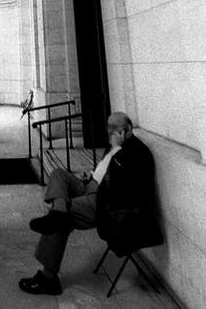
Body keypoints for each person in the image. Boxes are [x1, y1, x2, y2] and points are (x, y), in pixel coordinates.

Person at [19, 111, 162, 295]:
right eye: (108, 127)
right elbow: (105, 171)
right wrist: (91, 174)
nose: (109, 132)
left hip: (107, 204)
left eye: (113, 128)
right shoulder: (114, 147)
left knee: (65, 212)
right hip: (91, 186)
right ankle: (58, 214)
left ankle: (49, 278)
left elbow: (123, 187)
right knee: (58, 175)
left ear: (126, 130)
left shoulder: (137, 153)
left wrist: (116, 150)